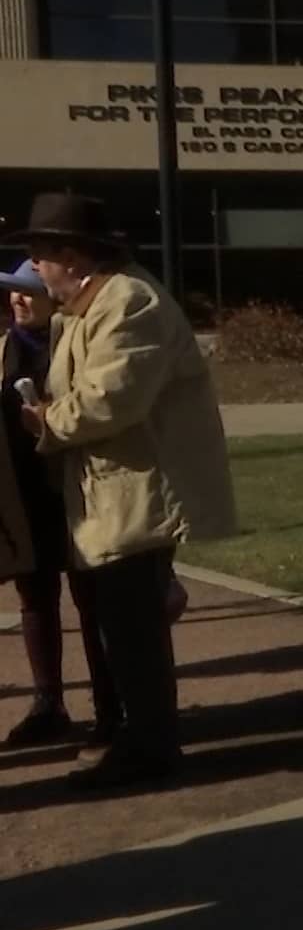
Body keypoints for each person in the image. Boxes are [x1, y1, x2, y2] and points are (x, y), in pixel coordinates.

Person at [11, 192, 237, 787]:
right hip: (112, 493)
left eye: (42, 255)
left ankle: (153, 748)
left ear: (75, 256)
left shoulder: (129, 302)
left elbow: (113, 397)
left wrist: (45, 421)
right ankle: (140, 737)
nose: (35, 269)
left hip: (138, 492)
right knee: (122, 625)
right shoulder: (90, 305)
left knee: (132, 627)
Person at [0, 260, 105, 747]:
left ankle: (111, 703)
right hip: (22, 492)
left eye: (29, 292)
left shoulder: (74, 343)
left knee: (93, 597)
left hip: (76, 487)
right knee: (35, 595)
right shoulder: (3, 350)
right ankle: (49, 702)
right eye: (13, 293)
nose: (19, 301)